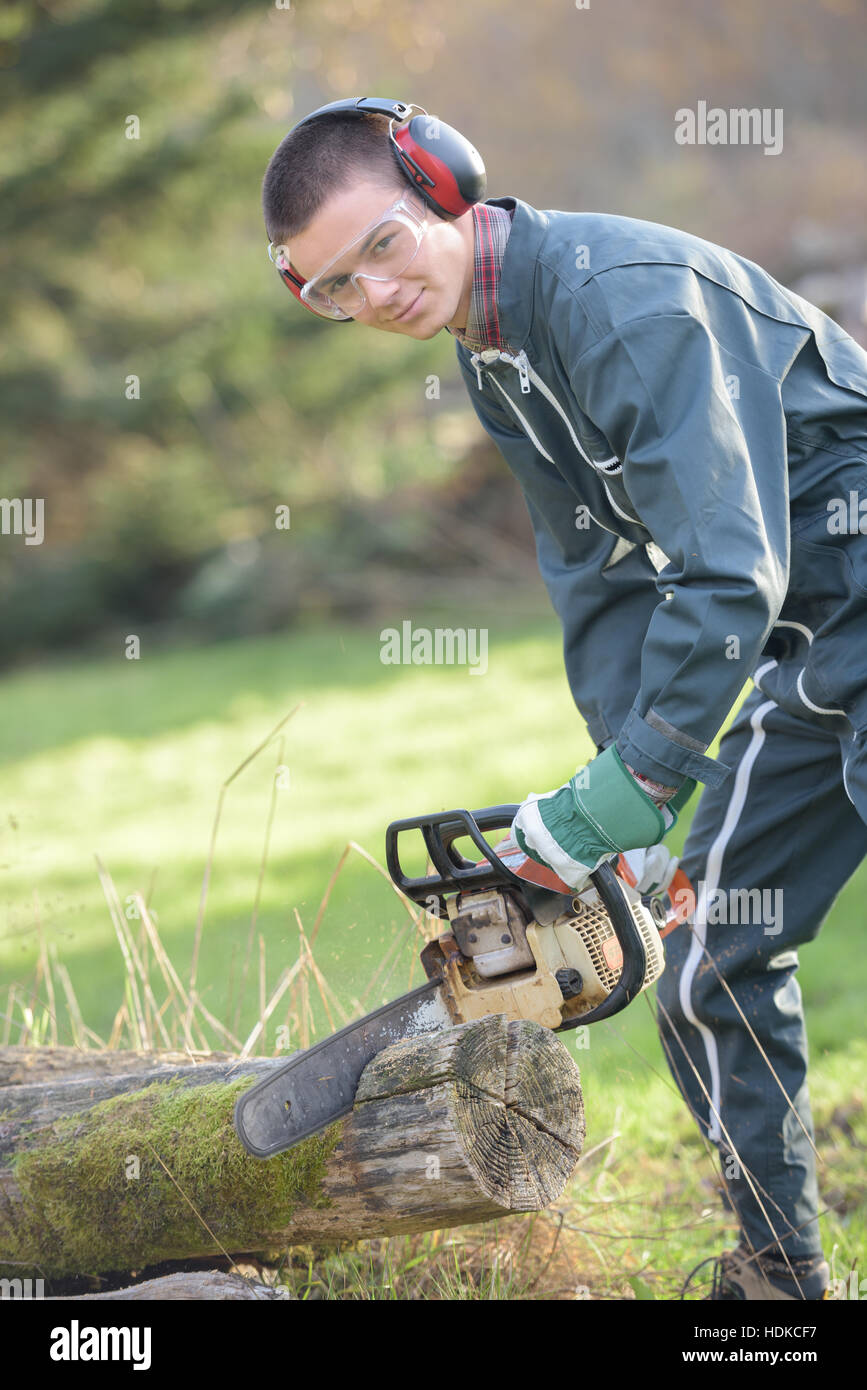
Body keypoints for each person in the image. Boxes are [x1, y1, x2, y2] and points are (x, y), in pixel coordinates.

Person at [261, 98, 867, 1300]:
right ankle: (781, 1282)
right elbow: (599, 587)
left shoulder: (616, 300)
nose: (373, 293)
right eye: (335, 287)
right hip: (810, 646)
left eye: (381, 246)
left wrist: (634, 781)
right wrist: (623, 805)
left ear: (443, 183)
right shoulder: (496, 358)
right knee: (710, 957)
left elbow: (723, 566)